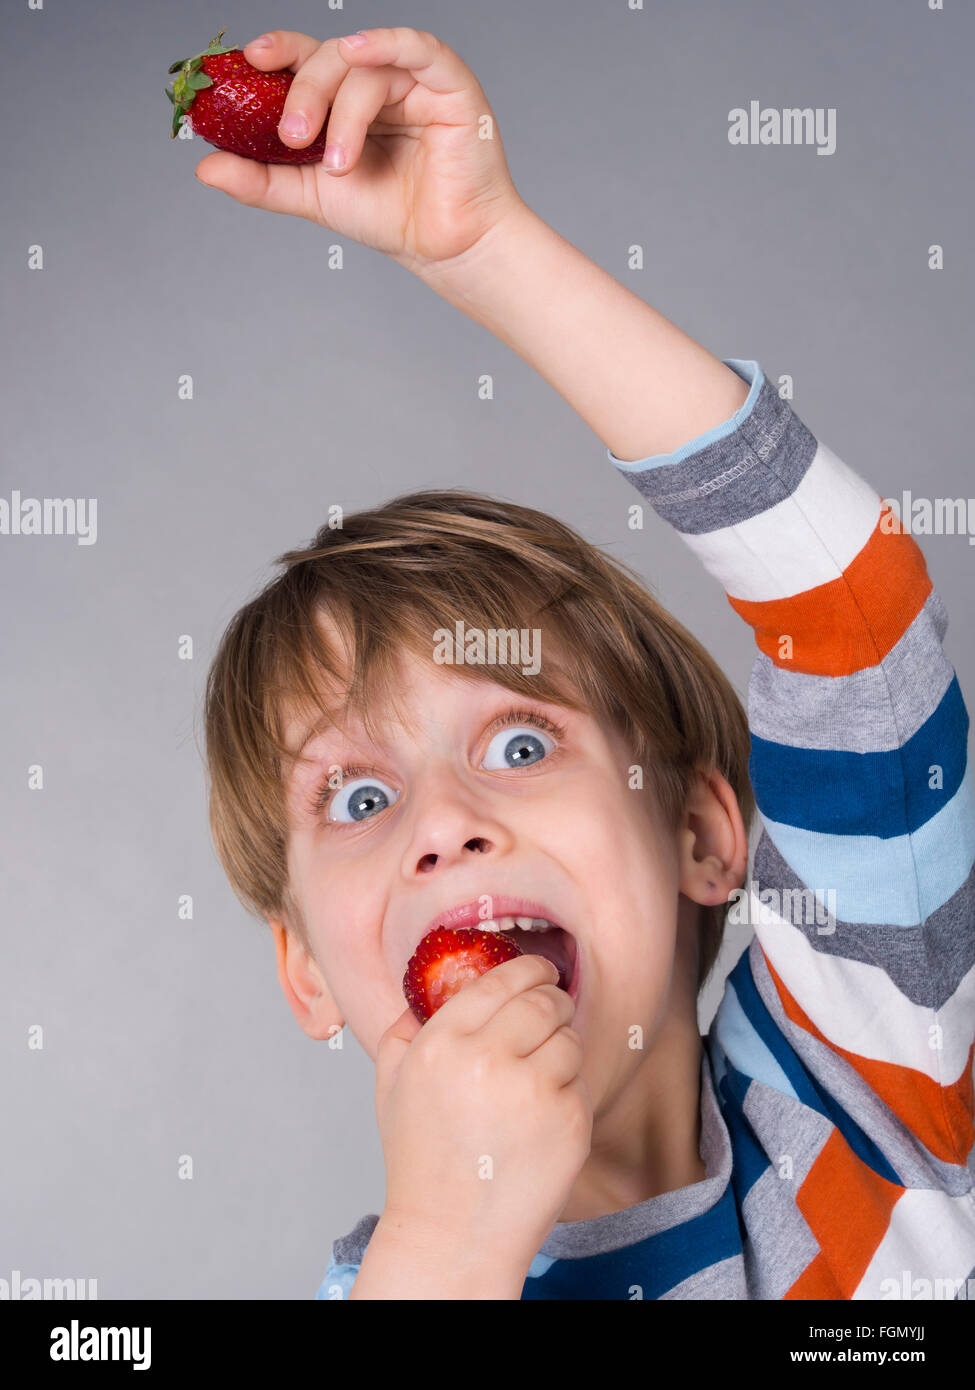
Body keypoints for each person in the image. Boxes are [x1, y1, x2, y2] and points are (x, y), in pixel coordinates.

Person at [198, 26, 975, 1299]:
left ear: (704, 837)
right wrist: (449, 1249)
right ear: (308, 973)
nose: (443, 826)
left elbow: (852, 609)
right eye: (358, 797)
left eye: (518, 742)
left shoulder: (864, 1078)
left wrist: (484, 249)